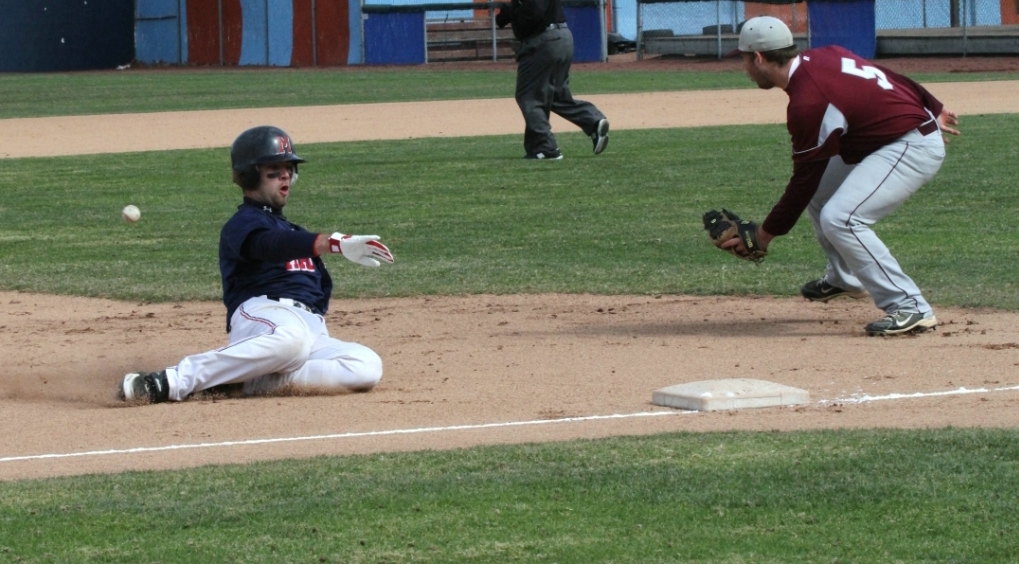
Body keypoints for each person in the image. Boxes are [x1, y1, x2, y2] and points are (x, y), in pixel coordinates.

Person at [120, 125, 395, 403]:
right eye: (273, 169)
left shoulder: (296, 233)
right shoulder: (243, 224)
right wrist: (330, 242)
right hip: (264, 314)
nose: (285, 174)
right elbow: (268, 246)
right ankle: (169, 381)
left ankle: (245, 381)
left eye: (289, 168)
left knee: (365, 365)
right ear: (250, 175)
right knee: (292, 342)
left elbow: (318, 291)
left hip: (308, 328)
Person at [724, 16, 961, 336]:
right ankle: (845, 279)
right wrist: (933, 104)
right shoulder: (826, 53)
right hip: (887, 139)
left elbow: (802, 180)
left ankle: (909, 305)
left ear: (759, 58)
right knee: (821, 193)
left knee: (841, 217)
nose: (745, 69)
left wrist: (763, 236)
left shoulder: (807, 103)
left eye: (743, 60)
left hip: (909, 145)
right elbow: (889, 75)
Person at [495, 0, 609, 160]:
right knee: (555, 94)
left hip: (544, 40)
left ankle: (545, 148)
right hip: (561, 36)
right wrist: (509, 11)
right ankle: (593, 121)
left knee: (529, 96)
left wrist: (513, 12)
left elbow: (535, 12)